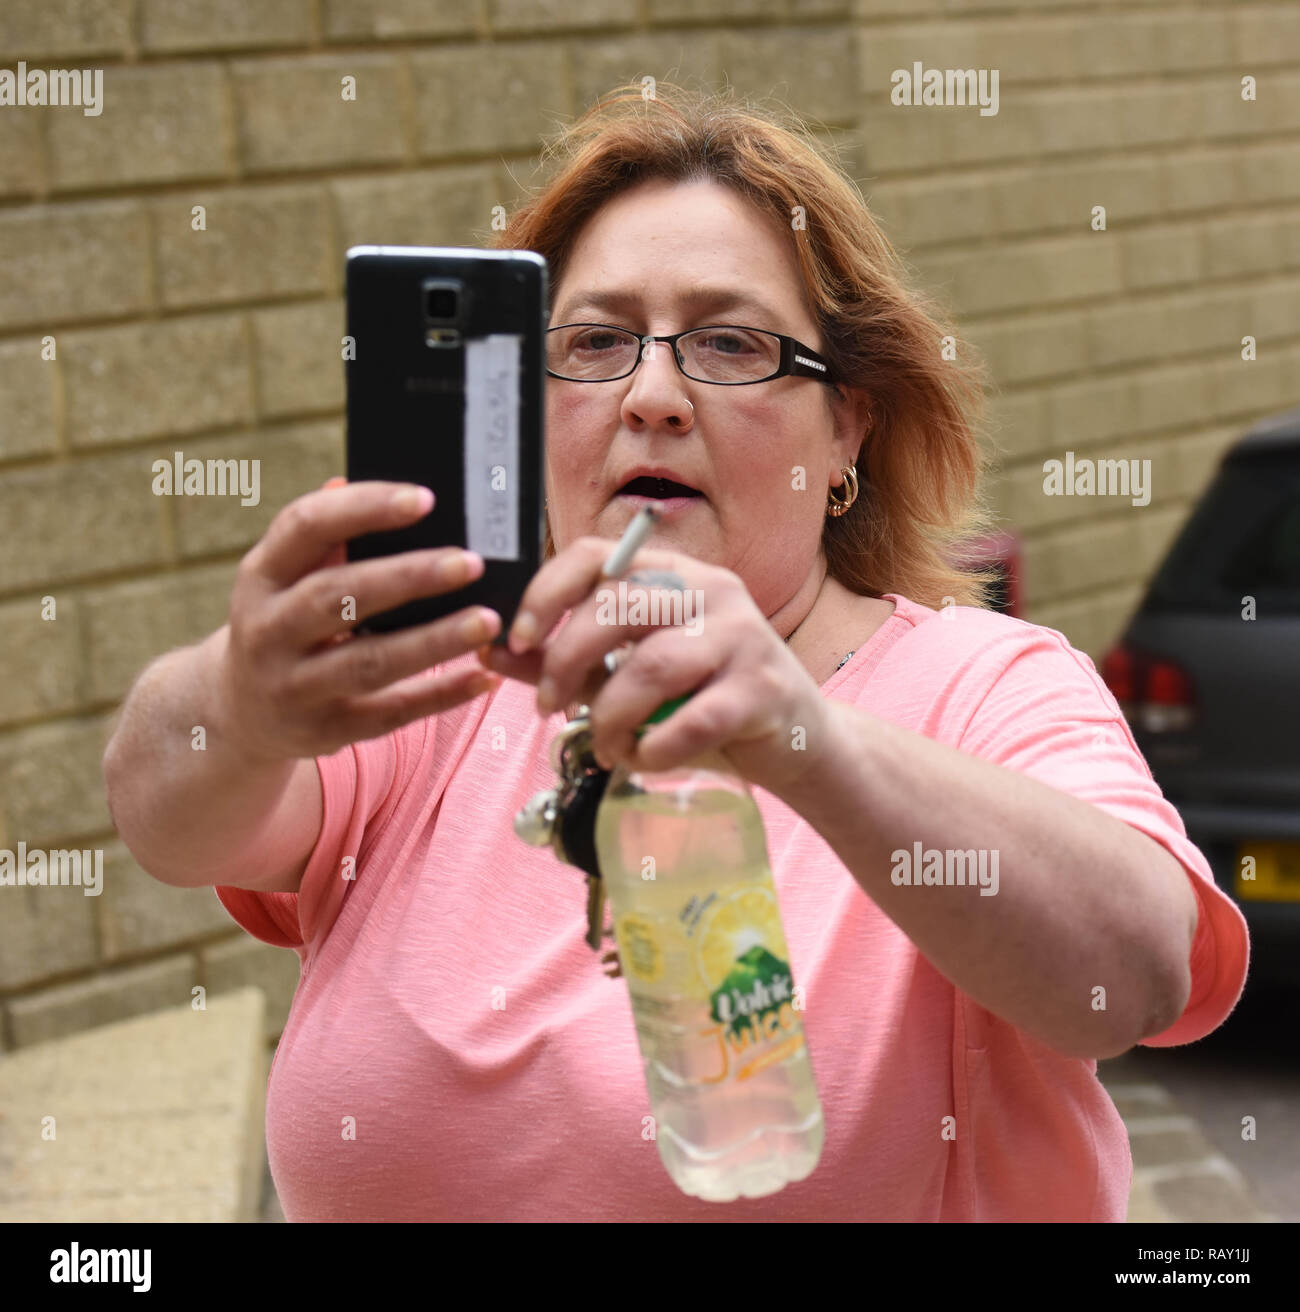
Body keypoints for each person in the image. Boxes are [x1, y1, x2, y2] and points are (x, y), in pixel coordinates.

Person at [102, 83, 1248, 1222]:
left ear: (844, 426)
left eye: (729, 343)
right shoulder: (431, 677)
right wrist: (240, 702)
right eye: (594, 341)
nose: (650, 393)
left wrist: (804, 741)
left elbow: (1128, 976)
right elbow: (161, 813)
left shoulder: (981, 685)